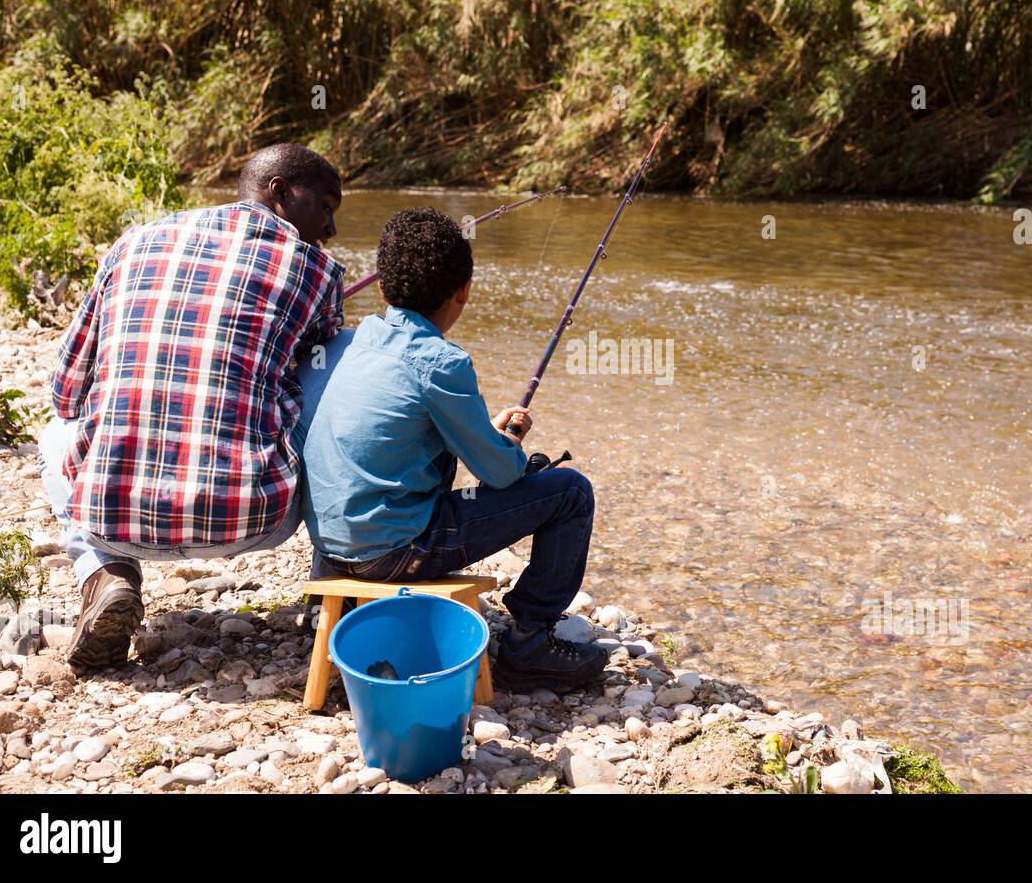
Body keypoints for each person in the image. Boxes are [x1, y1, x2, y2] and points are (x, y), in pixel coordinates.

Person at [39, 143, 345, 673]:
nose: (330, 228)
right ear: (279, 193)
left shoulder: (132, 242)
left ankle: (104, 572)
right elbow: (318, 375)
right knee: (344, 365)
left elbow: (65, 392)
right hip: (254, 519)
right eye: (326, 207)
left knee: (52, 434)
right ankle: (334, 587)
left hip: (109, 518)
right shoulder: (317, 269)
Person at [294, 207, 607, 693]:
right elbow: (501, 475)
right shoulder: (441, 362)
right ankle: (529, 644)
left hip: (331, 545)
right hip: (393, 552)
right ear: (464, 290)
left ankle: (326, 608)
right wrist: (508, 445)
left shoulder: (343, 345)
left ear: (381, 288)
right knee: (569, 491)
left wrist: (483, 433)